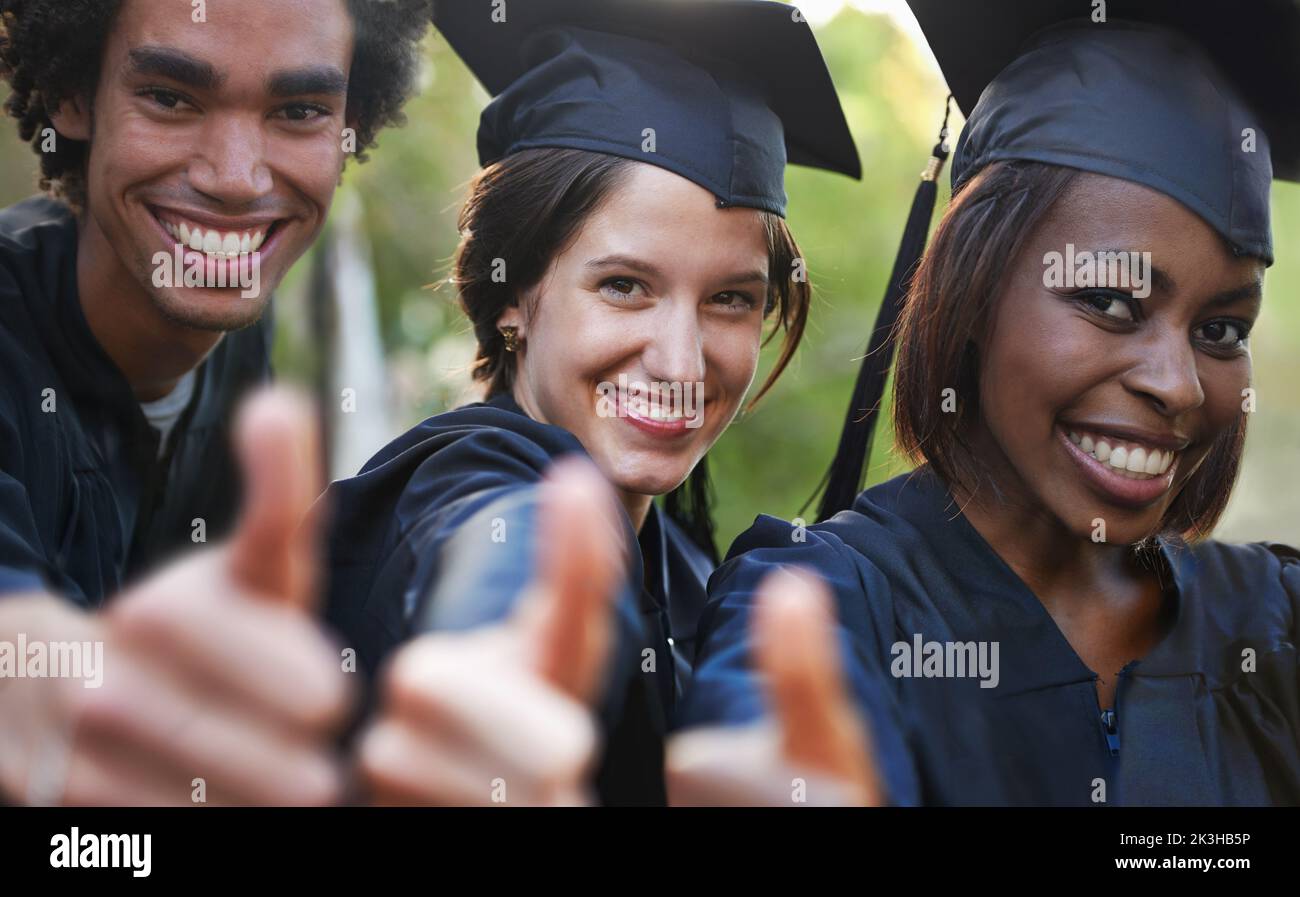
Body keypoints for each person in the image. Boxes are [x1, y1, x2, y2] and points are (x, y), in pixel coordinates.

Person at [674, 0, 1300, 805]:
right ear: (971, 291)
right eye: (1110, 302)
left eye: (1221, 328)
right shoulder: (819, 611)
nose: (1177, 384)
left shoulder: (1272, 622)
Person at [321, 0, 861, 805]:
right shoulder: (467, 481)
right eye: (624, 285)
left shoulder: (681, 561)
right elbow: (502, 545)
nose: (681, 360)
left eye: (731, 300)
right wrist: (498, 660)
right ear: (511, 296)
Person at [0, 0, 431, 805]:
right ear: (73, 94)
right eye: (169, 96)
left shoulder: (239, 350)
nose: (235, 178)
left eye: (299, 111)